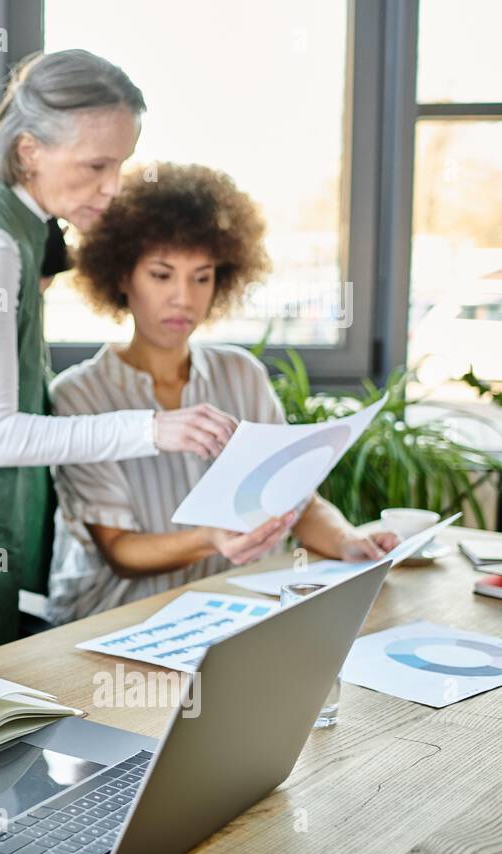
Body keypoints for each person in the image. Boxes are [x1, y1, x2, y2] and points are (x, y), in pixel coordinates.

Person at [0, 50, 237, 648]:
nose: (112, 190)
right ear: (29, 151)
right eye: (96, 166)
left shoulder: (20, 226)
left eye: (121, 166)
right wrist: (156, 430)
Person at [46, 161, 398, 622]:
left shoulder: (240, 375)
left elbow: (295, 500)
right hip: (114, 620)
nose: (183, 298)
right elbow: (120, 552)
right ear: (120, 277)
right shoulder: (80, 394)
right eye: (161, 274)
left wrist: (351, 542)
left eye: (202, 276)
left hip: (227, 613)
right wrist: (210, 537)